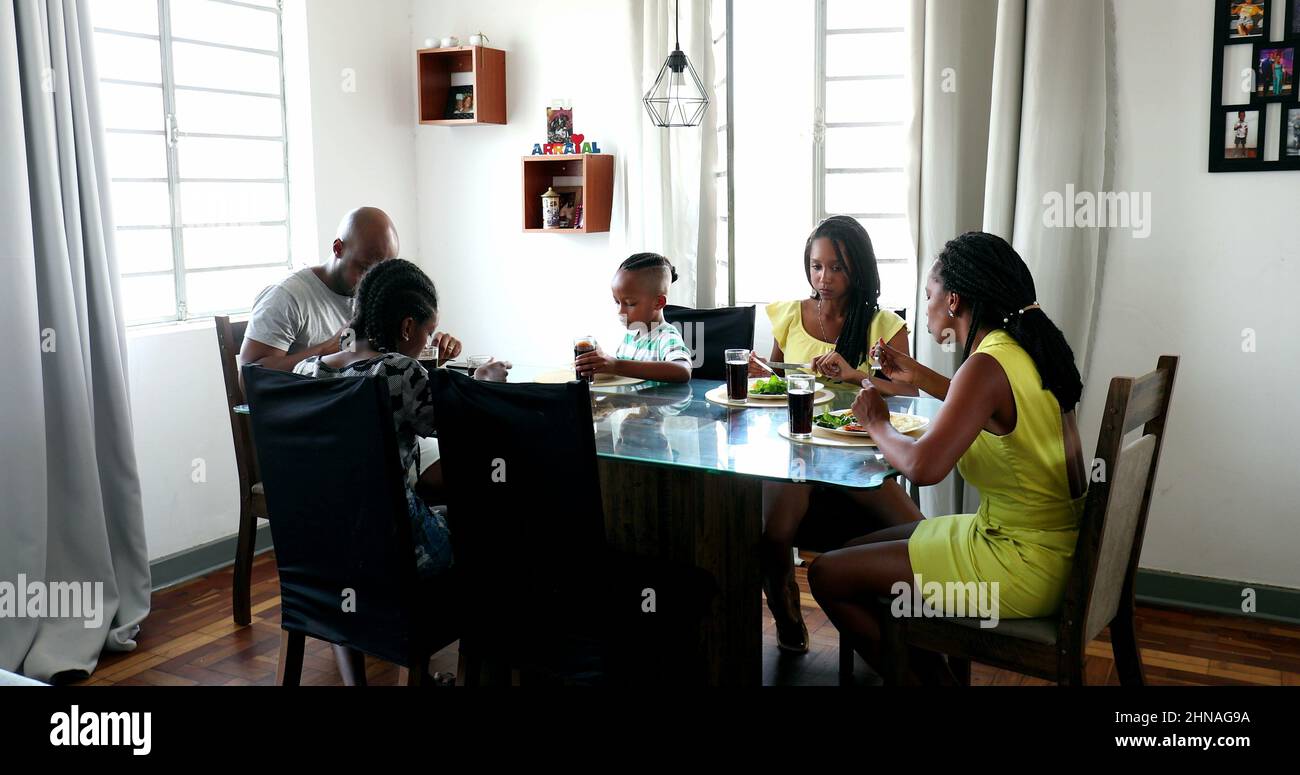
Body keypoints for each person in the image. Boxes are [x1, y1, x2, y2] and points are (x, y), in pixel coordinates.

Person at [808, 231, 1088, 684]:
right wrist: (919, 375)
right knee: (852, 553)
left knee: (827, 575)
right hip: (1046, 547)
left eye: (929, 295)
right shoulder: (1020, 351)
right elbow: (994, 411)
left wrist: (876, 421)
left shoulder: (985, 365)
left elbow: (923, 468)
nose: (926, 306)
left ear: (953, 300)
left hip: (1019, 563)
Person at [749, 215, 920, 654]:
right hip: (798, 449)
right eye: (816, 266)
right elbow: (777, 385)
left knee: (918, 531)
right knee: (773, 534)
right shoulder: (789, 315)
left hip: (857, 453)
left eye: (837, 267)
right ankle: (786, 613)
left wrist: (856, 375)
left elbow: (909, 391)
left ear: (858, 268)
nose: (824, 278)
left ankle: (916, 632)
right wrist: (763, 375)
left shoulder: (882, 324)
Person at [294, 259, 510, 577]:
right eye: (428, 332)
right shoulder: (398, 370)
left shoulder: (307, 370)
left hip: (327, 544)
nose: (427, 342)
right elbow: (464, 428)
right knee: (495, 519)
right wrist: (484, 383)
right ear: (407, 327)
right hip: (395, 545)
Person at [240, 206, 464, 373]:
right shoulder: (288, 297)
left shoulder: (379, 297)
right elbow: (249, 378)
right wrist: (329, 349)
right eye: (365, 268)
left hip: (357, 418)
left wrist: (423, 348)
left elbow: (382, 368)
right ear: (338, 248)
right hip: (308, 425)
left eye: (385, 269)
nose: (375, 279)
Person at [575, 253, 693, 384]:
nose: (620, 311)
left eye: (630, 303)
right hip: (629, 403)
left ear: (658, 303)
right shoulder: (630, 337)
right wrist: (602, 361)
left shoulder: (666, 337)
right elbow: (623, 377)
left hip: (656, 404)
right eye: (617, 302)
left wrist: (616, 365)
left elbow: (683, 371)